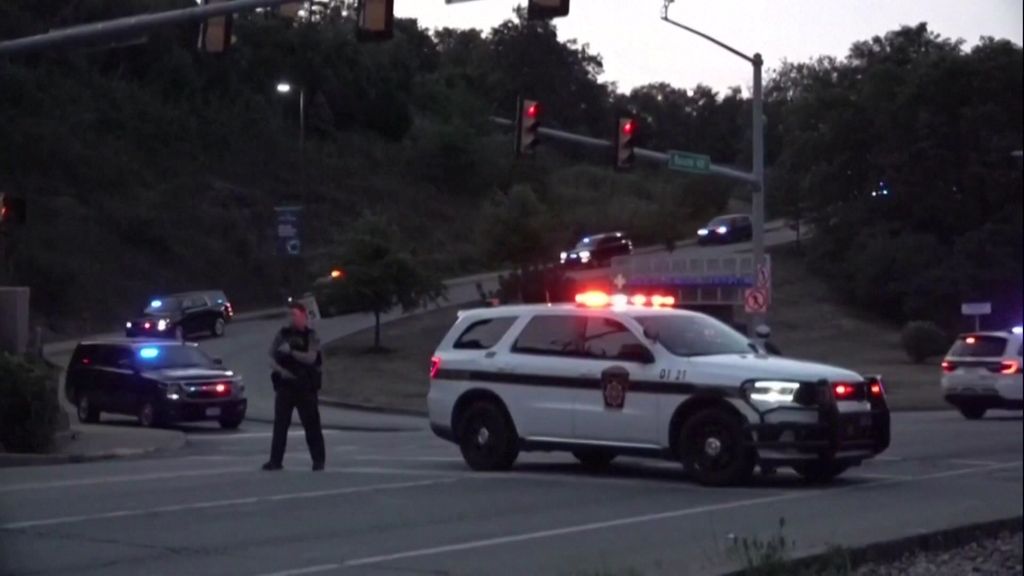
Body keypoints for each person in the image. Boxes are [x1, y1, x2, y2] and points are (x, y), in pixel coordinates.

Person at [263, 302, 326, 471]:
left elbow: (311, 358)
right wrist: (281, 371)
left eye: (295, 315)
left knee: (312, 424)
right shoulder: (282, 334)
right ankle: (275, 461)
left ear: (303, 316)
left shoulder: (310, 335)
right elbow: (271, 358)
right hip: (285, 386)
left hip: (305, 386)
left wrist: (291, 352)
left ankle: (318, 460)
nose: (291, 318)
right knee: (280, 425)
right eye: (289, 315)